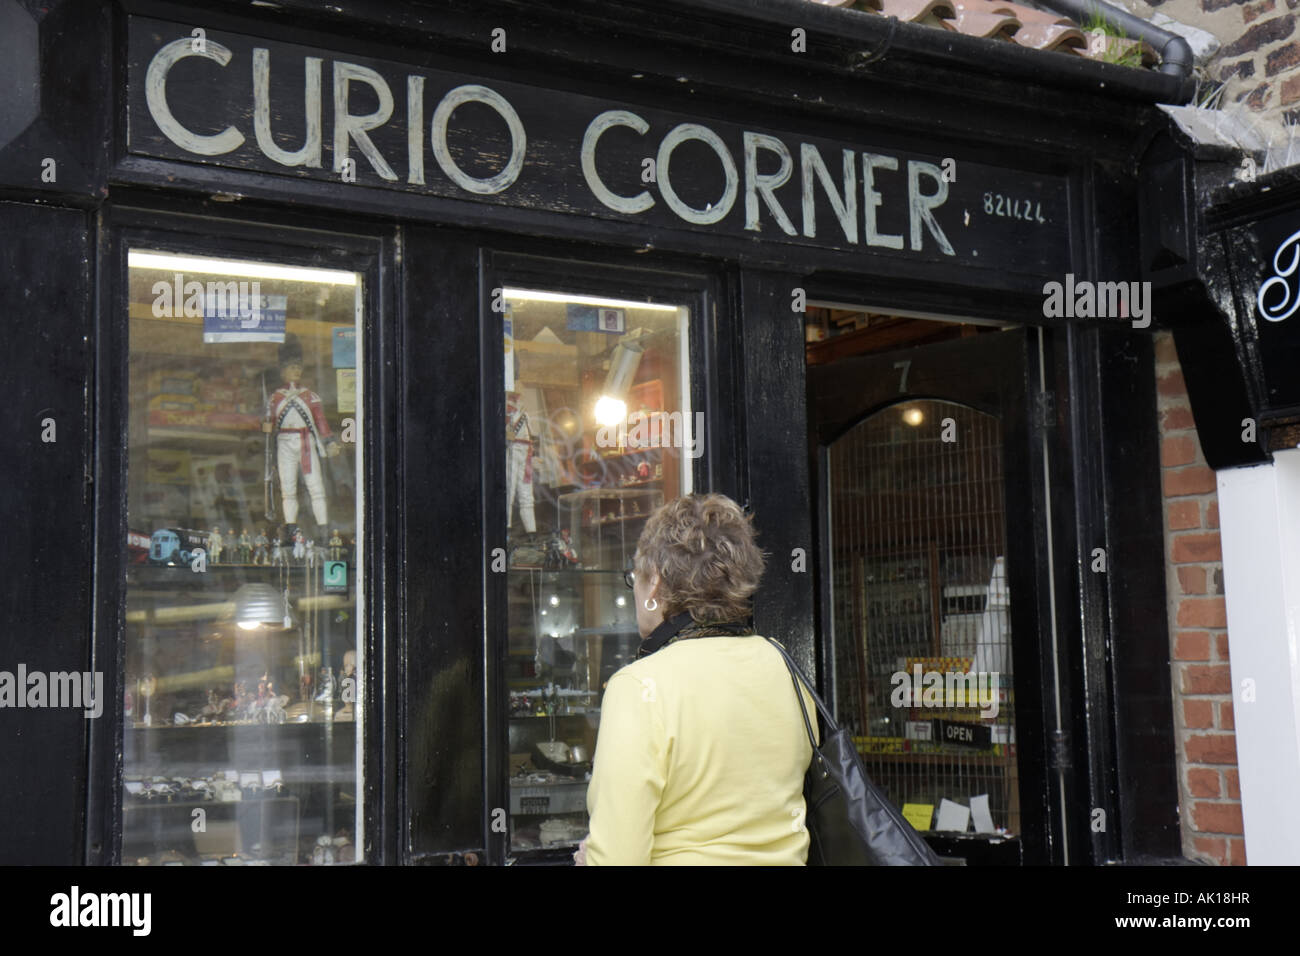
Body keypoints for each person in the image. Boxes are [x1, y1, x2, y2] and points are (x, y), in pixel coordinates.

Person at [576, 492, 817, 866]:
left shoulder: (639, 687)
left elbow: (617, 860)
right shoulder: (782, 665)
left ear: (654, 581)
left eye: (634, 579)